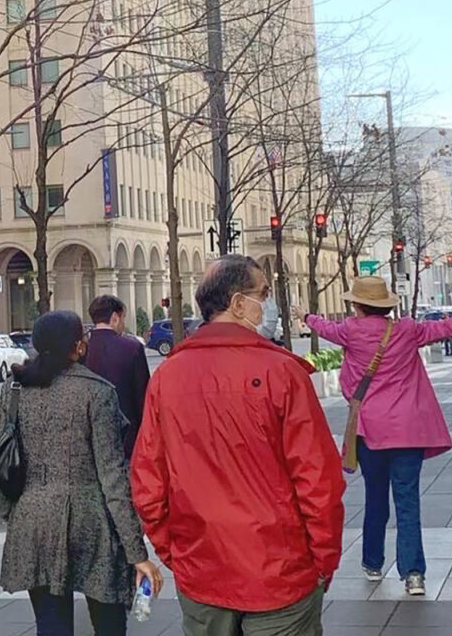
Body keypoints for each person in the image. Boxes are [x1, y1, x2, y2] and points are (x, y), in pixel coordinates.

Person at [132, 255, 344, 636]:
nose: (269, 304)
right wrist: (322, 560)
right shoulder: (282, 372)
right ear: (237, 303)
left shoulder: (167, 377)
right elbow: (318, 480)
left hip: (203, 570)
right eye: (263, 293)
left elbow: (148, 482)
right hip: (280, 572)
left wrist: (177, 552)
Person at [301, 277, 452, 596]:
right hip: (408, 431)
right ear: (385, 306)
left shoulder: (350, 331)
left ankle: (372, 562)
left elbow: (324, 327)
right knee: (408, 502)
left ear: (356, 306)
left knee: (375, 498)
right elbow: (446, 328)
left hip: (369, 432)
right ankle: (414, 575)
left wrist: (305, 316)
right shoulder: (406, 330)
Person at [0, 311, 163, 636]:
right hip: (93, 521)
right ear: (79, 346)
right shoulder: (97, 392)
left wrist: (15, 512)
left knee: (51, 624)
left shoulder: (14, 389)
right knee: (109, 620)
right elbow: (113, 479)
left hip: (33, 519)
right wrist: (137, 553)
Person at [81, 295, 151, 458]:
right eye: (123, 318)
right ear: (115, 318)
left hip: (89, 437)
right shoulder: (132, 348)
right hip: (127, 438)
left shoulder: (82, 350)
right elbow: (142, 396)